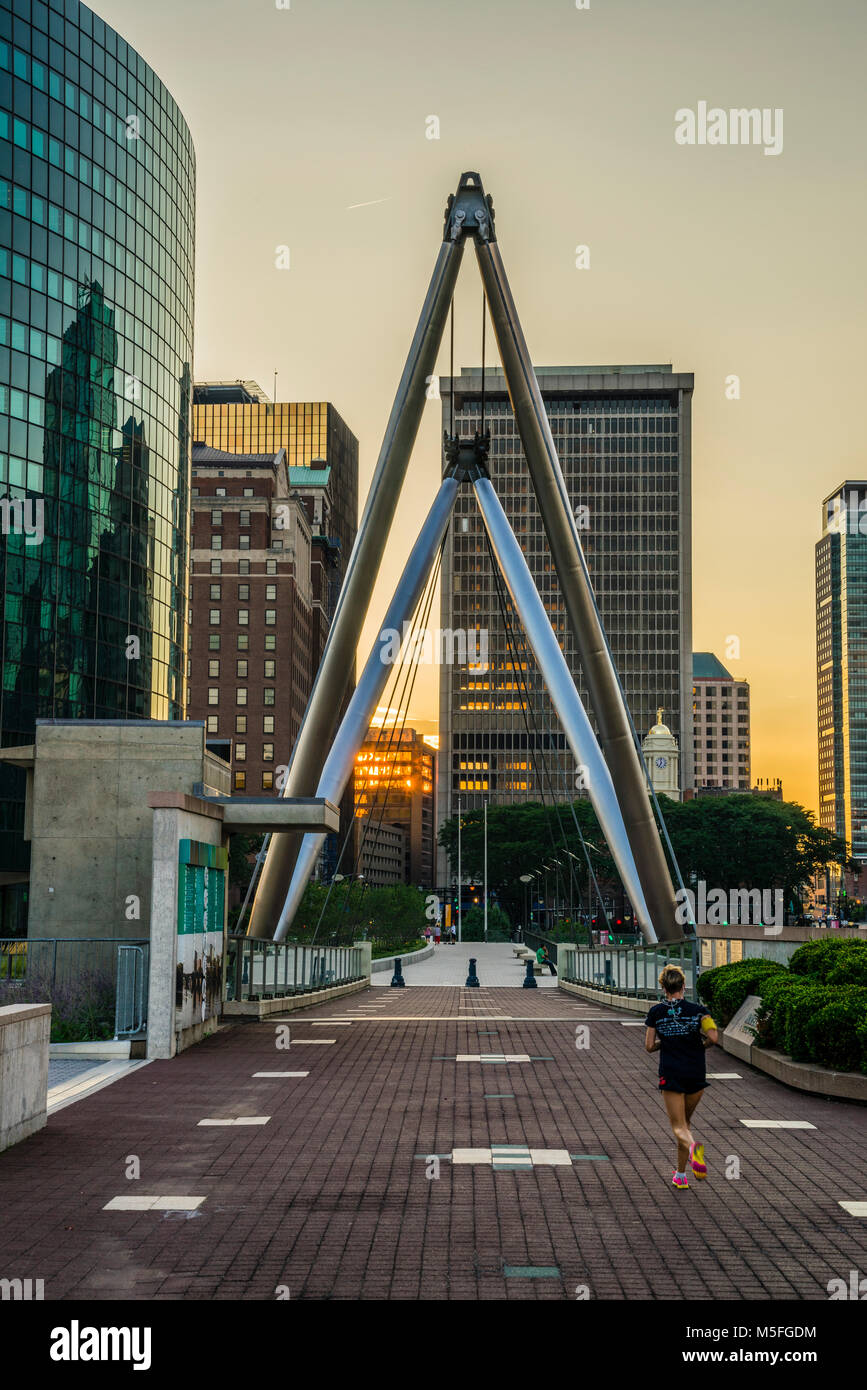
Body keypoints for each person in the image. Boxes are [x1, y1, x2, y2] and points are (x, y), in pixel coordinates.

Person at [644, 965, 718, 1189]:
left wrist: (665, 1042)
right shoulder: (699, 1010)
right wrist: (700, 1046)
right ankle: (681, 1175)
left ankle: (694, 1149)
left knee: (679, 1127)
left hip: (672, 1073)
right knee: (685, 1124)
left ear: (663, 987)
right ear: (684, 986)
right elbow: (713, 1037)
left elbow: (648, 1046)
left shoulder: (656, 1012)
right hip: (696, 1072)